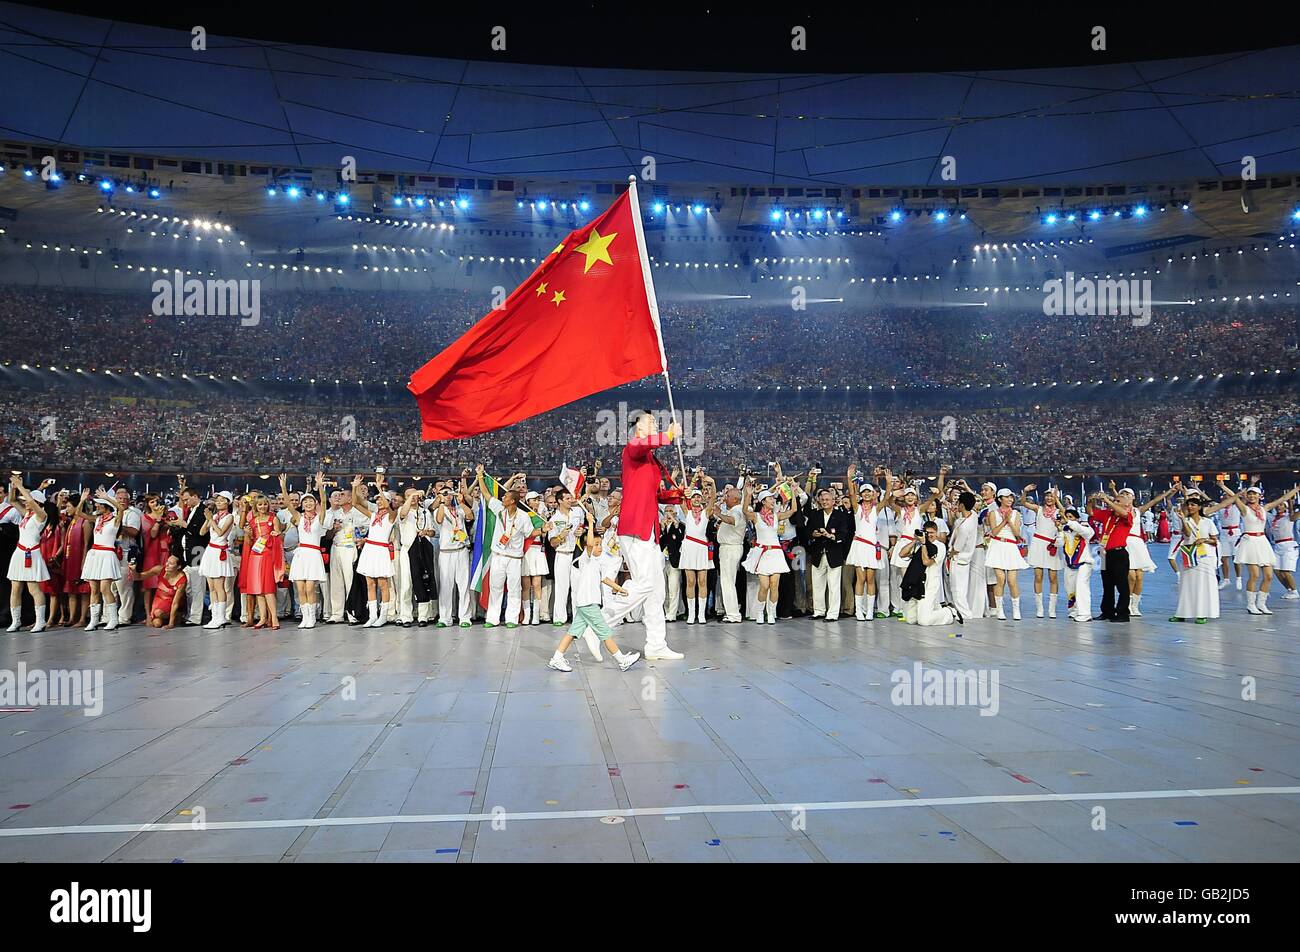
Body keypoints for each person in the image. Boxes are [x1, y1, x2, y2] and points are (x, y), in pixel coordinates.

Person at [600, 409, 685, 661]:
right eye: (650, 421)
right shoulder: (633, 448)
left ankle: (656, 644)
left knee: (656, 590)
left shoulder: (651, 461)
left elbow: (656, 495)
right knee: (646, 583)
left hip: (650, 530)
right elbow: (641, 445)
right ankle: (600, 622)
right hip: (635, 527)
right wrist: (668, 434)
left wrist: (680, 495)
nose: (654, 424)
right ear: (637, 426)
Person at [547, 528, 641, 673]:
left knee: (572, 632)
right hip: (588, 603)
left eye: (600, 544)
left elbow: (605, 579)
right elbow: (589, 544)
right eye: (597, 544)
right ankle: (622, 660)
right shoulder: (586, 556)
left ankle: (556, 658)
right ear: (587, 547)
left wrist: (620, 589)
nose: (599, 547)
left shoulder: (597, 561)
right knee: (605, 632)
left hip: (585, 603)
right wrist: (590, 523)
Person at [1221, 480, 1300, 615]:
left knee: (1269, 575)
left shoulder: (1265, 508)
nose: (1252, 496)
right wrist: (1224, 487)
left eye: (1254, 494)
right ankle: (1250, 604)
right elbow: (1234, 497)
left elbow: (1284, 498)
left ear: (1259, 496)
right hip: (1250, 541)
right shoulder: (1244, 508)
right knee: (1255, 575)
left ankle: (1261, 603)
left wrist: (1297, 488)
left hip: (1262, 541)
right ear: (1246, 496)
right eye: (1250, 494)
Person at [351, 471, 410, 628]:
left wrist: (378, 487)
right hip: (369, 549)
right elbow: (355, 504)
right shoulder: (373, 515)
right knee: (370, 583)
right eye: (376, 499)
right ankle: (372, 615)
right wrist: (355, 488)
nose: (378, 501)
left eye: (381, 499)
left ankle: (383, 616)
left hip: (381, 550)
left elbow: (390, 509)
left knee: (383, 584)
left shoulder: (392, 515)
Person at [478, 467, 531, 628]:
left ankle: (511, 619)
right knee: (496, 587)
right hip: (499, 555)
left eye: (506, 496)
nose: (503, 497)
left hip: (514, 558)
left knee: (514, 588)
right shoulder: (500, 510)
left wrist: (544, 529)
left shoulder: (523, 517)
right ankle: (492, 618)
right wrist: (480, 476)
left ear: (512, 501)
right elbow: (487, 495)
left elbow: (529, 533)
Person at [740, 478, 795, 625]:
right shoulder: (756, 516)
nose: (772, 500)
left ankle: (771, 613)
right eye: (770, 498)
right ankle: (760, 612)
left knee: (774, 584)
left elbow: (793, 510)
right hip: (763, 552)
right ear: (763, 501)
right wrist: (748, 495)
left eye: (772, 498)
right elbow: (745, 511)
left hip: (776, 552)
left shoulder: (777, 516)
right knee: (764, 585)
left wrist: (793, 493)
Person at [798, 485, 852, 621]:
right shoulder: (815, 515)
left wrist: (831, 536)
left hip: (834, 553)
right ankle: (819, 611)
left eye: (827, 499)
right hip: (817, 554)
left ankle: (833, 614)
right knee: (817, 585)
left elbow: (844, 533)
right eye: (822, 499)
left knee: (834, 585)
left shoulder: (840, 515)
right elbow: (807, 531)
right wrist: (813, 534)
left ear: (833, 501)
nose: (825, 502)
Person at [281, 472, 328, 629]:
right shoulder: (299, 518)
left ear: (315, 504)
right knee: (300, 587)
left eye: (310, 501)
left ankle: (312, 617)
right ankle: (305, 617)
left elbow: (323, 501)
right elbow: (288, 504)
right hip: (301, 554)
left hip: (313, 554)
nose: (308, 503)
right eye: (305, 501)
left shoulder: (319, 517)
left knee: (310, 587)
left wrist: (320, 485)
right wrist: (283, 487)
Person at [1123, 485, 1177, 617]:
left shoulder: (1138, 510)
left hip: (1137, 544)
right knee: (1131, 576)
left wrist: (1169, 491)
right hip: (1125, 543)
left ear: (1133, 497)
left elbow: (1154, 501)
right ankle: (1127, 603)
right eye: (1123, 494)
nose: (1126, 496)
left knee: (1139, 577)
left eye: (1128, 494)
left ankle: (1135, 605)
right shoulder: (1118, 511)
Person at [6, 476, 50, 632]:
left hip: (32, 554)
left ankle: (41, 621)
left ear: (37, 503)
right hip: (19, 553)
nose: (24, 502)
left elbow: (30, 502)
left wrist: (21, 486)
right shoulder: (27, 514)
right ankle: (15, 621)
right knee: (15, 588)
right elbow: (11, 500)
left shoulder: (41, 516)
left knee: (34, 589)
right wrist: (13, 487)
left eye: (26, 500)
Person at [79, 488, 126, 631]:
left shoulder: (115, 520)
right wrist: (82, 500)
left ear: (106, 506)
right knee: (94, 589)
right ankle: (94, 620)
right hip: (95, 554)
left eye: (100, 504)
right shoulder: (97, 519)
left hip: (107, 554)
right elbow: (79, 514)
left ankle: (113, 619)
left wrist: (107, 497)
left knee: (105, 588)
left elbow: (121, 509)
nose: (97, 506)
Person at [1169, 490, 1219, 624]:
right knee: (1187, 585)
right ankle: (1182, 613)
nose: (1190, 507)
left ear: (1199, 507)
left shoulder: (1207, 522)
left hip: (1205, 556)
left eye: (1193, 505)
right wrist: (1183, 520)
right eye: (1189, 505)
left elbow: (1215, 540)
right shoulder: (1186, 520)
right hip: (1189, 554)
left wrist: (1204, 540)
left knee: (1204, 584)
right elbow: (1187, 533)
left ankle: (1202, 613)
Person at [238, 492, 285, 630]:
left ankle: (274, 618)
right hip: (255, 554)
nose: (263, 506)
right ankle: (262, 618)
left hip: (268, 554)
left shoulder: (273, 518)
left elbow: (279, 536)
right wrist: (248, 534)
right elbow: (250, 541)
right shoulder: (252, 522)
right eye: (260, 504)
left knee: (269, 588)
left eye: (265, 504)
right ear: (256, 506)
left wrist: (276, 535)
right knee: (258, 589)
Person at [898, 520, 958, 626]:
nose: (929, 535)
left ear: (936, 532)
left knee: (924, 621)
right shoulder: (918, 544)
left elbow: (926, 562)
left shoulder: (940, 546)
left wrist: (924, 543)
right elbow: (902, 554)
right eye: (927, 532)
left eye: (932, 533)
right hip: (916, 584)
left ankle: (948, 613)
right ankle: (936, 609)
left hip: (930, 585)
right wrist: (914, 540)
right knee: (911, 620)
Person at [434, 477, 475, 628]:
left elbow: (470, 516)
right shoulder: (440, 509)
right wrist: (442, 502)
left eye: (449, 493)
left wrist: (462, 501)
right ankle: (445, 618)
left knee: (463, 584)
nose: (448, 496)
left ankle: (465, 617)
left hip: (461, 550)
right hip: (445, 552)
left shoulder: (459, 509)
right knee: (445, 585)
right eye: (444, 493)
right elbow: (438, 520)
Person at [1018, 484, 1063, 618]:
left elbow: (1065, 513)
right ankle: (1039, 608)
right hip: (1038, 543)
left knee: (1053, 577)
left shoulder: (1059, 512)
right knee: (1038, 576)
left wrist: (1057, 500)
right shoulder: (1039, 509)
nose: (1049, 498)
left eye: (1052, 496)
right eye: (1048, 496)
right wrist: (1025, 491)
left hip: (1052, 544)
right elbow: (1023, 503)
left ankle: (1052, 609)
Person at [1092, 482, 1134, 623]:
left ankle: (1122, 613)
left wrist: (1108, 500)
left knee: (1122, 584)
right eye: (1114, 500)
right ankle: (1107, 611)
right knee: (1107, 584)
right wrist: (1091, 500)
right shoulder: (1108, 515)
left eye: (1118, 501)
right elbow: (1091, 512)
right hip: (1104, 553)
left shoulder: (1127, 516)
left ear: (1126, 505)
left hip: (1118, 553)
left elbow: (1122, 512)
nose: (1114, 502)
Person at [845, 464, 883, 621]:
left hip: (871, 546)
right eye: (864, 492)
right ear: (861, 494)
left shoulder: (876, 508)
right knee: (860, 579)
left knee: (870, 579)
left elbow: (887, 499)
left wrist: (886, 481)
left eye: (869, 492)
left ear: (873, 494)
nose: (866, 494)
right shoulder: (857, 508)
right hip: (860, 545)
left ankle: (869, 611)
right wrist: (849, 478)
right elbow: (852, 495)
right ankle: (859, 610)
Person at [985, 487, 1029, 620]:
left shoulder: (1016, 513)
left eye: (1011, 497)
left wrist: (1009, 520)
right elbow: (994, 532)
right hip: (997, 545)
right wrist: (1004, 520)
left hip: (1010, 546)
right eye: (1006, 497)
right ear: (1000, 499)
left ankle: (1016, 610)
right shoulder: (993, 513)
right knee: (1000, 579)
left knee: (1012, 580)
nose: (1010, 499)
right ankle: (999, 610)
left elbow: (1017, 534)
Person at [678, 479, 715, 625]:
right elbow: (681, 497)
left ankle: (701, 614)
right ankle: (691, 614)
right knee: (690, 581)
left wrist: (711, 484)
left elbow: (712, 498)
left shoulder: (706, 513)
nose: (696, 499)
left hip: (701, 548)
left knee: (702, 581)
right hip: (689, 547)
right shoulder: (686, 512)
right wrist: (692, 483)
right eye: (694, 496)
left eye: (698, 496)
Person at [547, 487, 585, 626]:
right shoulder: (554, 519)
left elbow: (584, 526)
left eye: (571, 498)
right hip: (562, 554)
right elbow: (552, 543)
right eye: (567, 499)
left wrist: (581, 531)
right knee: (562, 587)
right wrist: (560, 536)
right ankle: (559, 617)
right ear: (559, 501)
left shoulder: (578, 512)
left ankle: (578, 617)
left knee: (577, 587)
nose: (571, 500)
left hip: (577, 554)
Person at [200, 490, 237, 630]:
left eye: (222, 500)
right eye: (217, 500)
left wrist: (211, 520)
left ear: (228, 502)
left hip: (219, 551)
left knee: (219, 585)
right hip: (210, 550)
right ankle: (214, 617)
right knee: (212, 587)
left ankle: (221, 617)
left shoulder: (229, 517)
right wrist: (208, 519)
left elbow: (220, 532)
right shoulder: (214, 515)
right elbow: (202, 532)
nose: (219, 502)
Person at [713, 483, 746, 623]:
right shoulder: (733, 509)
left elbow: (733, 521)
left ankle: (733, 614)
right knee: (728, 581)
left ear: (734, 499)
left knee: (727, 582)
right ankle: (731, 612)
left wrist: (718, 513)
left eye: (727, 496)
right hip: (729, 548)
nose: (724, 497)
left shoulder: (737, 511)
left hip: (730, 548)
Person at [946, 490, 979, 620]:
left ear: (962, 505)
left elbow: (957, 547)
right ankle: (962, 613)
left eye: (958, 503)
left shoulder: (966, 526)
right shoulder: (973, 516)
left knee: (957, 590)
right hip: (965, 559)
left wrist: (950, 553)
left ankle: (964, 614)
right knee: (961, 588)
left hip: (959, 559)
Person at [142, 555, 187, 629]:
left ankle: (174, 616)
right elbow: (139, 576)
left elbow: (175, 603)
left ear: (178, 567)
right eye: (167, 562)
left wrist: (171, 624)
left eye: (171, 563)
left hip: (171, 600)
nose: (167, 565)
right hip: (159, 599)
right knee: (157, 624)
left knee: (158, 612)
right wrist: (133, 571)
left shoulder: (182, 579)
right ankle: (166, 618)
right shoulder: (160, 569)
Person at [1271, 497, 1298, 599]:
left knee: (1286, 571)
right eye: (1278, 504)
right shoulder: (1273, 518)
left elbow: (1294, 515)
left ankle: (1295, 592)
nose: (1279, 506)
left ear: (1285, 507)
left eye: (1282, 505)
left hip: (1288, 546)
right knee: (1277, 570)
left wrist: (1291, 503)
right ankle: (1289, 589)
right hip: (1277, 546)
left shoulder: (1289, 517)